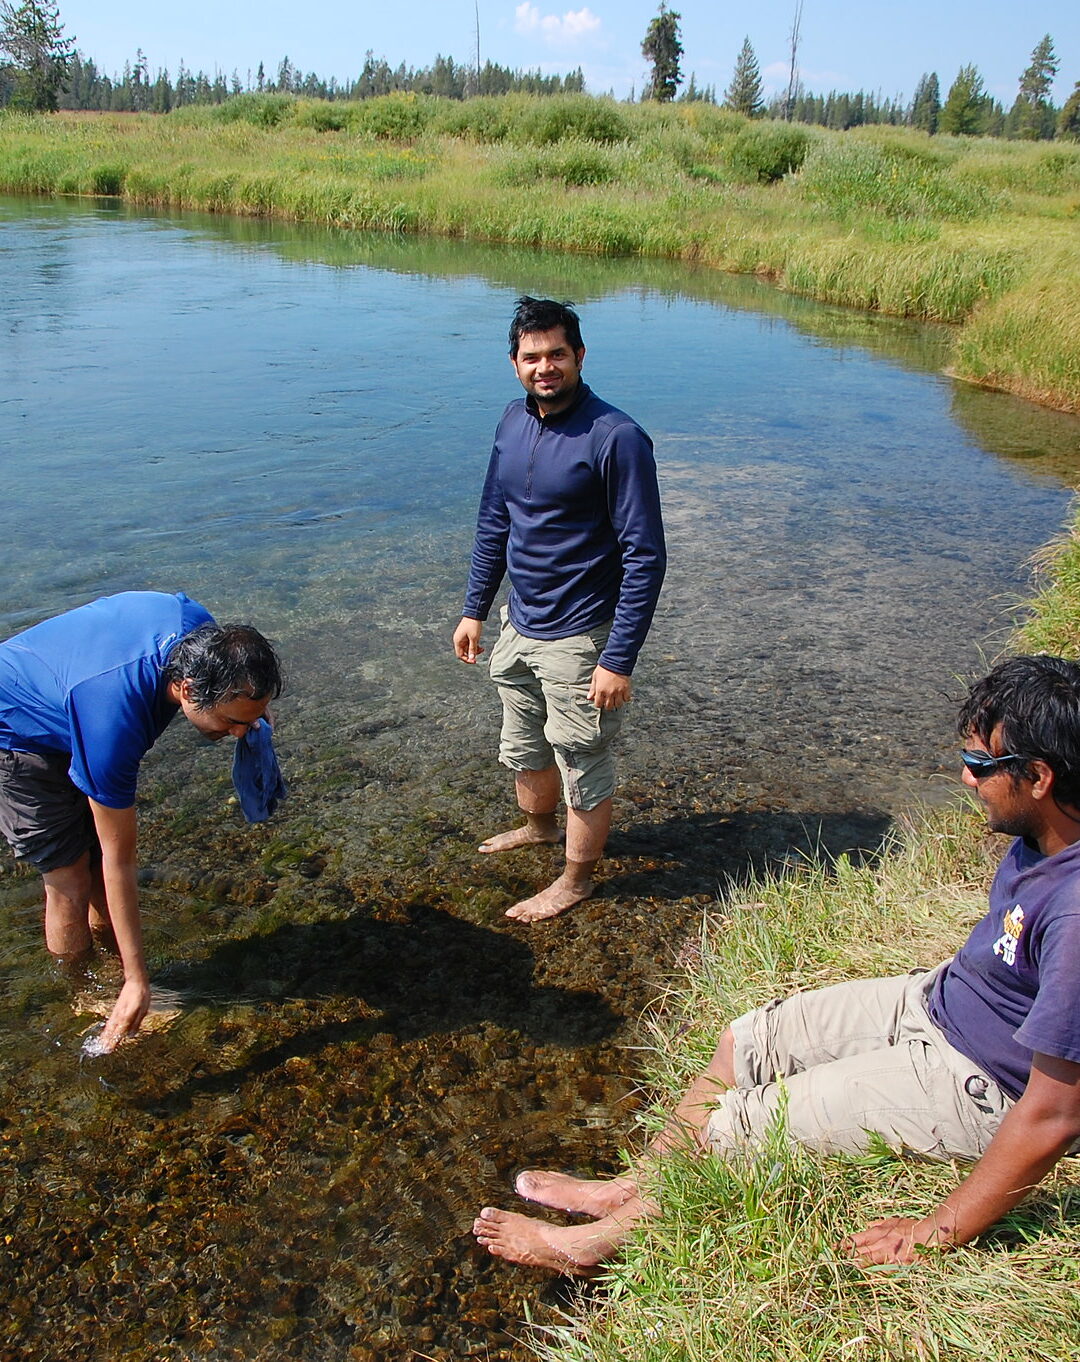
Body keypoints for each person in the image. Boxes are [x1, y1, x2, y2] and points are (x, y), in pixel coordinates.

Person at [473, 655, 1080, 1271]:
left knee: (739, 1127)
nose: (966, 778)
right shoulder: (1044, 833)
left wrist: (936, 1229)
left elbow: (1055, 1113)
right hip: (935, 1001)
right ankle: (634, 1185)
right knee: (745, 1041)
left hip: (979, 1079)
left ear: (1038, 776)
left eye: (980, 765)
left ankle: (586, 1248)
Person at [453, 297, 666, 923]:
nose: (544, 367)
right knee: (523, 743)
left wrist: (617, 658)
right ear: (514, 363)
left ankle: (577, 880)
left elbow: (645, 557)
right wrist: (475, 610)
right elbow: (496, 522)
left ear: (579, 355)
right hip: (520, 624)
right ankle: (541, 830)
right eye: (531, 357)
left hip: (582, 635)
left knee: (582, 755)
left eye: (556, 355)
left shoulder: (617, 438)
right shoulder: (511, 423)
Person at [0, 590, 283, 1051]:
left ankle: (111, 962)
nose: (240, 732)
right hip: (15, 733)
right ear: (188, 690)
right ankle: (85, 992)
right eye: (234, 720)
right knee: (70, 875)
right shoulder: (112, 723)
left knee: (90, 861)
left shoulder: (202, 634)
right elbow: (121, 859)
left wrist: (251, 712)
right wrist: (139, 979)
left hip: (66, 693)